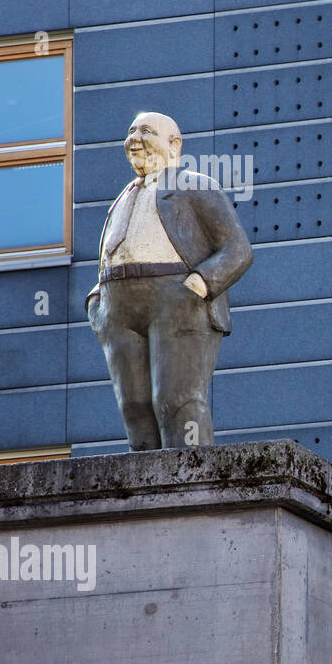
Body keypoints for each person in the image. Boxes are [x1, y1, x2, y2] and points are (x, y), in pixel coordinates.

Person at [84, 111, 253, 450]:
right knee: (134, 406)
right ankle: (145, 495)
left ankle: (192, 487)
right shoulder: (122, 198)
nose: (134, 138)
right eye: (131, 131)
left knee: (176, 400)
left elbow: (238, 248)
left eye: (146, 131)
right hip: (118, 308)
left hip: (176, 300)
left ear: (173, 144)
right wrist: (97, 303)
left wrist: (200, 284)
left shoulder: (195, 185)